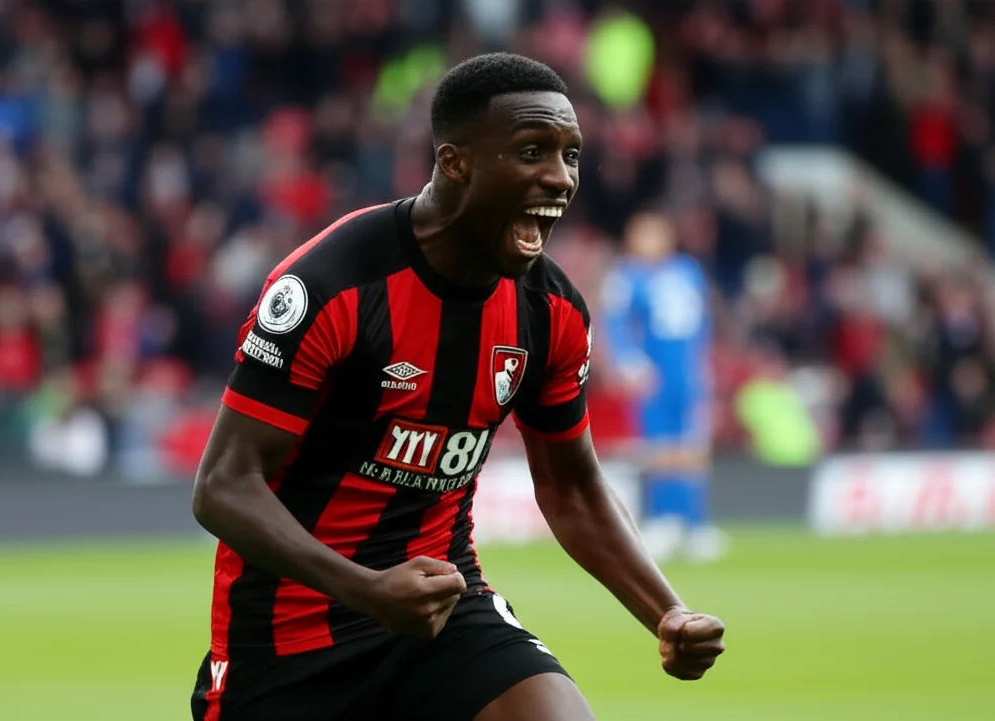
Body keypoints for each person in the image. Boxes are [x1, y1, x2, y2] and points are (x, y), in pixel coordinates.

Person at [190, 53, 725, 721]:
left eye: (571, 155)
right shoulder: (332, 286)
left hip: (445, 611)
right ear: (455, 163)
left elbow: (572, 487)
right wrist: (367, 589)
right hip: (289, 634)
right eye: (533, 151)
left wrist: (665, 610)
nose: (560, 178)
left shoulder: (550, 310)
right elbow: (223, 484)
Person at [602, 210, 726, 563]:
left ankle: (696, 523)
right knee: (660, 448)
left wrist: (704, 364)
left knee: (693, 449)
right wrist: (630, 363)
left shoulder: (687, 271)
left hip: (687, 372)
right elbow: (616, 323)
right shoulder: (627, 276)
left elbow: (702, 325)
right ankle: (663, 518)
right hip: (654, 375)